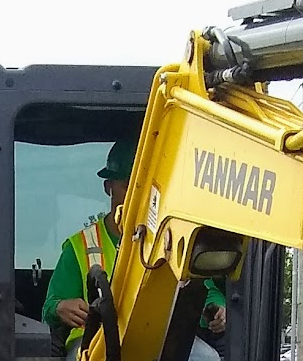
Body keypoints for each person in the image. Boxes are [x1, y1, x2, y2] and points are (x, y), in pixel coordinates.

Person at [41, 135, 228, 348]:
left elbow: (204, 289)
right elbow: (50, 307)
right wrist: (60, 308)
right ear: (107, 187)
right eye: (127, 186)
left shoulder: (171, 240)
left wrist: (218, 307)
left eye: (143, 188)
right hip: (94, 343)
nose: (136, 197)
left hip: (157, 341)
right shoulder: (79, 246)